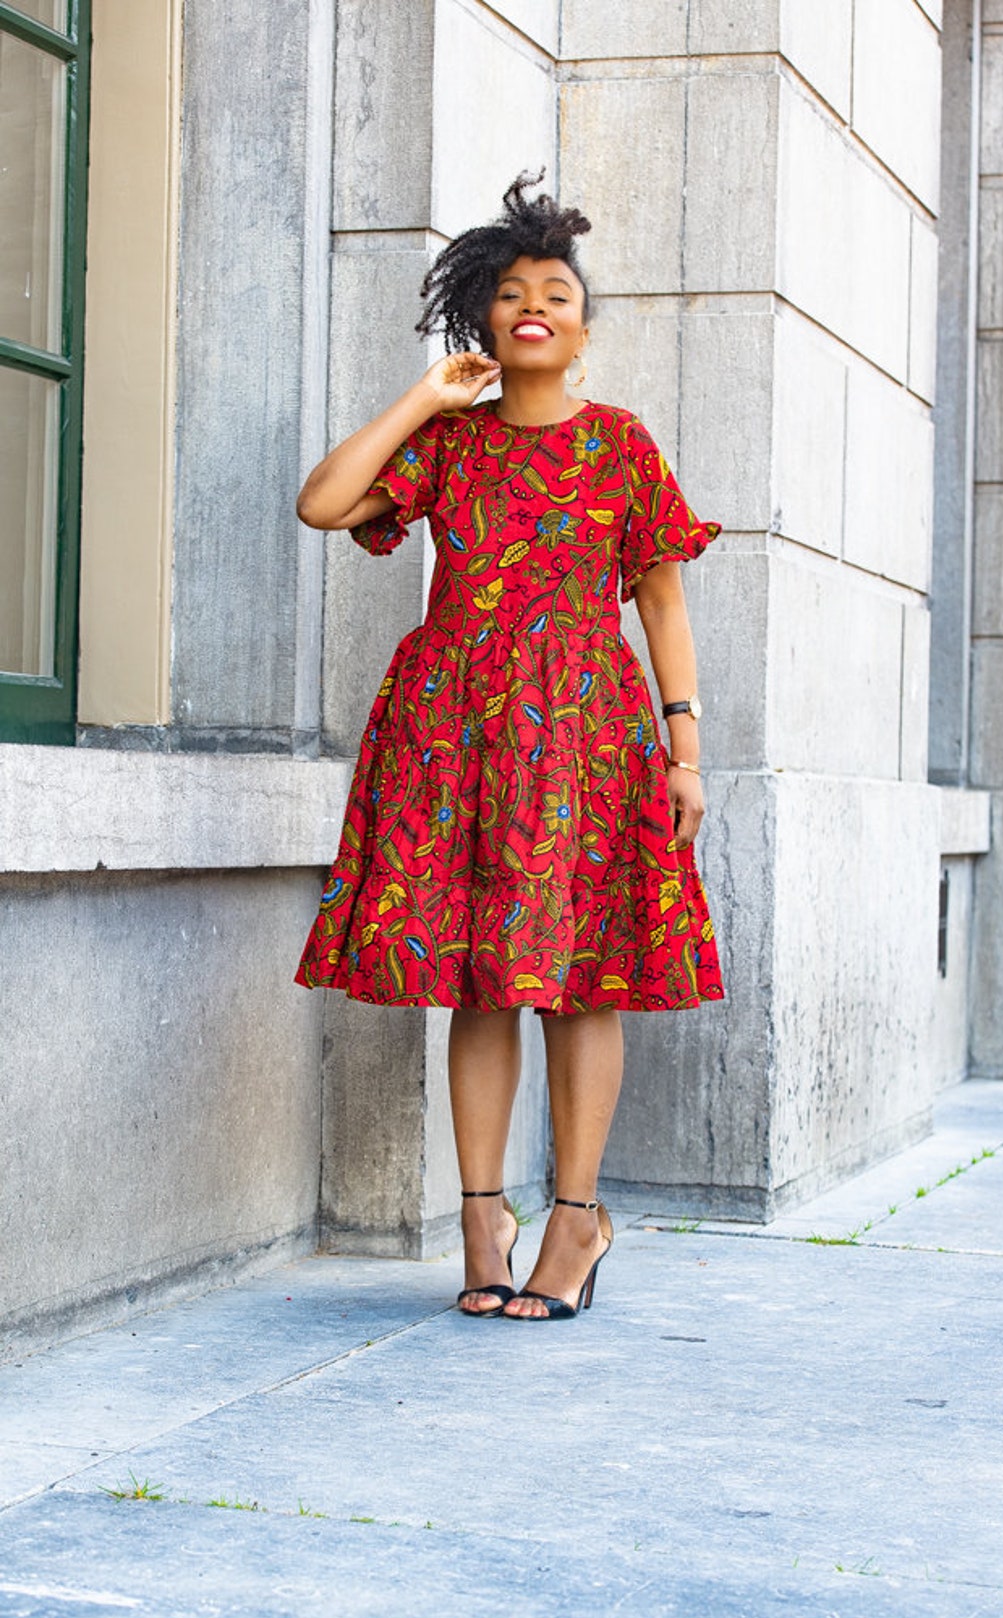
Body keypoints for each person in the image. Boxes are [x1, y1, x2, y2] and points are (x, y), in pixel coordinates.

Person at [295, 173, 724, 1321]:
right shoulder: (450, 444)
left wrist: (684, 750)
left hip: (586, 735)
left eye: (557, 291)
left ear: (583, 326)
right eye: (511, 292)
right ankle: (483, 1219)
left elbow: (662, 602)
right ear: (483, 320)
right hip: (454, 736)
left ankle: (576, 1217)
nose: (533, 304)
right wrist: (423, 398)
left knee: (585, 979)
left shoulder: (621, 446)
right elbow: (324, 502)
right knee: (478, 983)